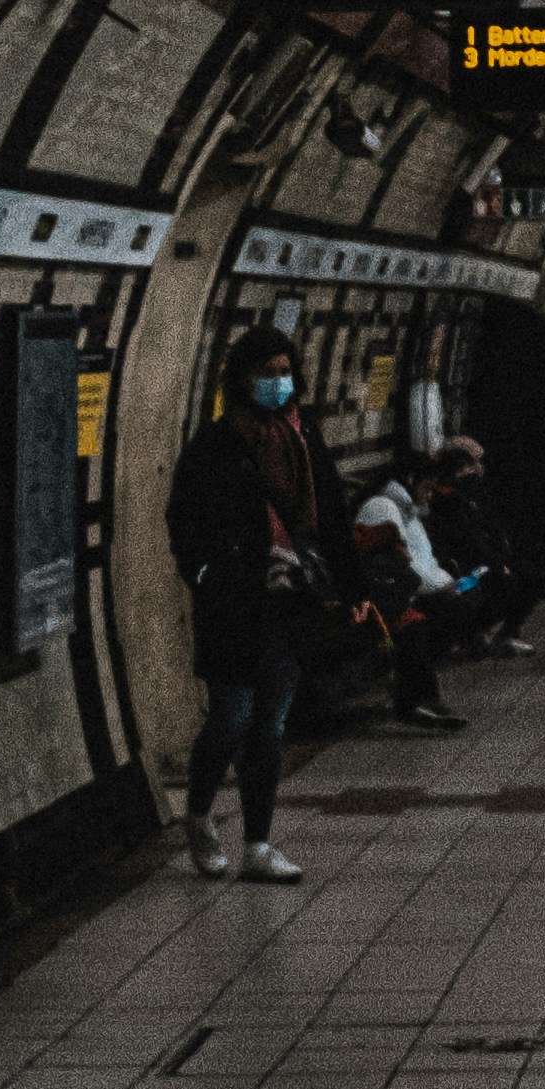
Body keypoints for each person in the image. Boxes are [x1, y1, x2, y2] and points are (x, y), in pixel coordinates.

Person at [164, 329, 332, 884]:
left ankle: (258, 844)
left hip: (288, 603)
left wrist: (351, 594)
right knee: (231, 718)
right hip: (234, 606)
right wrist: (207, 574)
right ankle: (199, 815)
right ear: (241, 378)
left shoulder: (303, 439)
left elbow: (327, 515)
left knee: (270, 726)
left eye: (284, 369)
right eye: (265, 371)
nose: (276, 382)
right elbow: (183, 519)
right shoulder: (216, 446)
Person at [349, 453, 476, 732]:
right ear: (411, 479)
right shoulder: (384, 506)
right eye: (427, 487)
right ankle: (417, 701)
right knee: (418, 623)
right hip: (383, 596)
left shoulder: (405, 508)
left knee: (441, 613)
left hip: (395, 592)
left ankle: (420, 699)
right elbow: (396, 562)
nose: (429, 495)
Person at [420, 436, 530, 664]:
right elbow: (471, 543)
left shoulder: (468, 498)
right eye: (467, 468)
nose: (475, 472)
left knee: (522, 574)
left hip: (474, 567)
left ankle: (493, 633)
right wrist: (499, 564)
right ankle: (477, 633)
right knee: (499, 580)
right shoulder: (447, 502)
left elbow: (487, 532)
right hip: (464, 576)